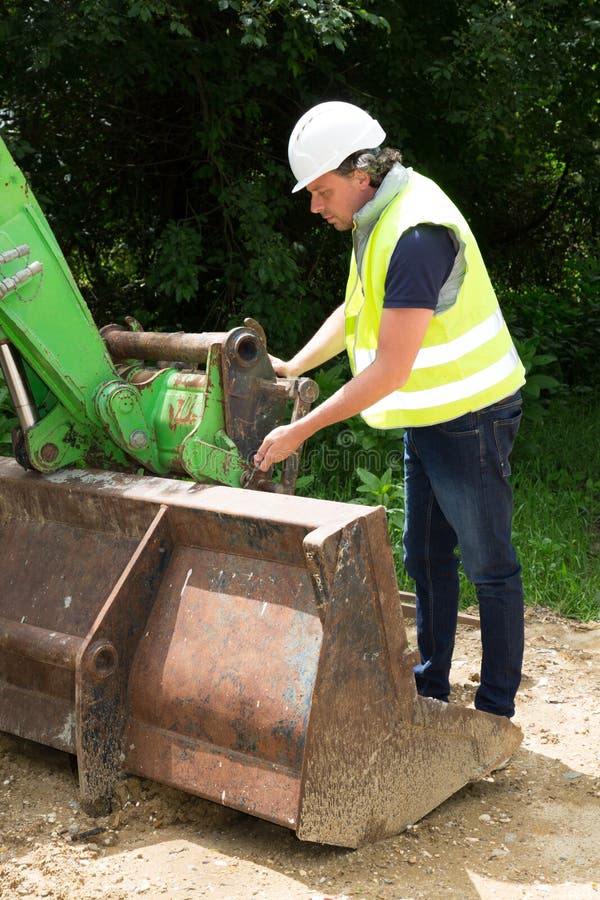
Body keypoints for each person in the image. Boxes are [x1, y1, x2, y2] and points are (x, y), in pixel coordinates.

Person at [254, 101, 525, 719]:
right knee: (426, 556)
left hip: (475, 414)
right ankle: (429, 691)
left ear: (361, 174)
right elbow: (358, 314)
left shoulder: (418, 232)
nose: (315, 205)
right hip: (428, 415)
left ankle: (492, 714)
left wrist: (303, 428)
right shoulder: (376, 217)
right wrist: (295, 365)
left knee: (489, 565)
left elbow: (390, 368)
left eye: (321, 191)